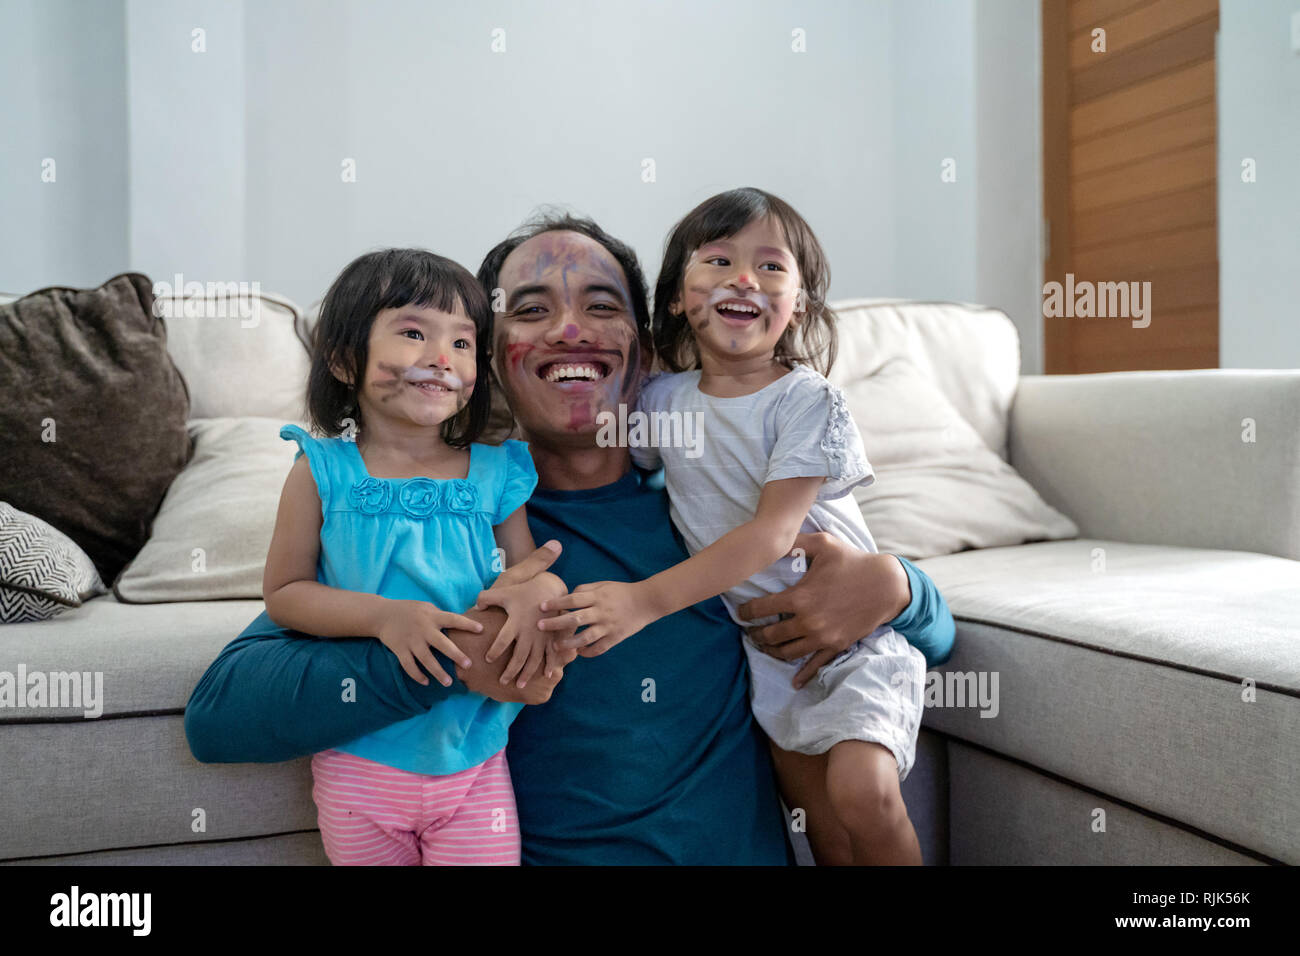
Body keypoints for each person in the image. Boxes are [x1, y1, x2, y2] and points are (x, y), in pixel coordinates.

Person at [185, 211, 955, 865]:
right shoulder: (445, 528)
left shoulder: (712, 513)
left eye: (601, 305)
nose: (569, 330)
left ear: (647, 352)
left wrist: (899, 588)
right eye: (527, 310)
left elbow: (927, 647)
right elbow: (220, 716)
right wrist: (456, 655)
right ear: (482, 361)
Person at [538, 188, 926, 864]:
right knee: (824, 827)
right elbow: (597, 428)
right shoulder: (663, 400)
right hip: (769, 658)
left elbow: (774, 534)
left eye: (771, 267)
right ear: (680, 299)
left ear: (798, 304)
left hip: (853, 639)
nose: (744, 278)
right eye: (717, 261)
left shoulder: (807, 400)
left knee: (863, 794)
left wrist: (641, 601)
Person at [258, 248, 569, 865]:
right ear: (347, 360)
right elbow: (286, 592)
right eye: (411, 333)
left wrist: (541, 592)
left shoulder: (493, 474)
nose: (441, 358)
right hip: (358, 759)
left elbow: (527, 569)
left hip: (475, 757)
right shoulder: (322, 472)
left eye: (461, 343)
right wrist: (383, 618)